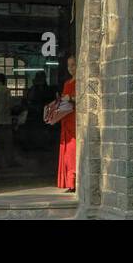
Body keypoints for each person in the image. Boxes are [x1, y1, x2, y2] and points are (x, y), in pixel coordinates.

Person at [56, 54, 77, 192]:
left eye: (73, 65)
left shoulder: (79, 82)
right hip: (66, 119)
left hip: (75, 120)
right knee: (67, 151)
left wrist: (71, 98)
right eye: (68, 65)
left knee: (72, 150)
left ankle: (73, 182)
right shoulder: (67, 83)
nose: (70, 68)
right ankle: (69, 182)